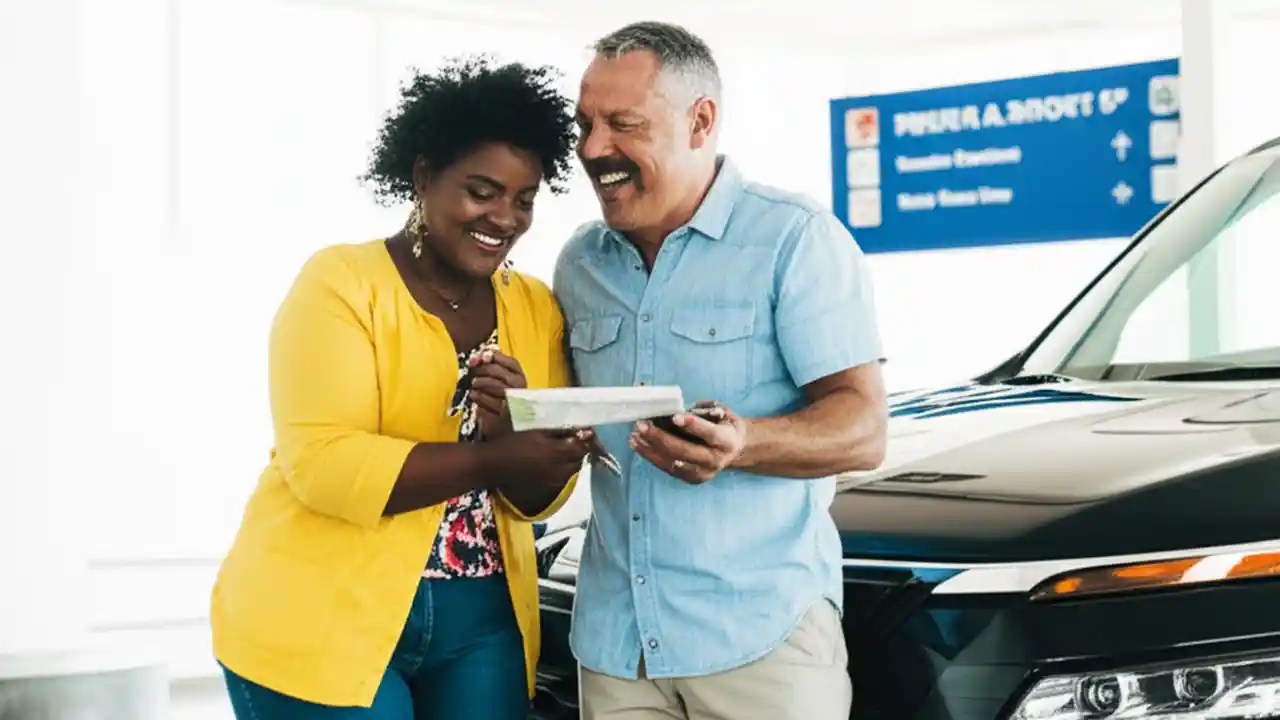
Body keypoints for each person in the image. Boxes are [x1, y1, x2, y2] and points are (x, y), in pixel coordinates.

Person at [210, 56, 592, 719]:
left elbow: (539, 492)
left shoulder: (535, 308)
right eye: (482, 190)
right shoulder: (341, 284)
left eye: (523, 198)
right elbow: (325, 466)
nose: (504, 217)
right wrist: (494, 456)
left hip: (482, 621)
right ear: (423, 177)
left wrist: (521, 439)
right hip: (317, 614)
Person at [553, 21, 889, 720]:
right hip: (618, 651)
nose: (592, 149)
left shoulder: (793, 239)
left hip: (762, 644)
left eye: (622, 124)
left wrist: (744, 445)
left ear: (700, 121)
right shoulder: (579, 264)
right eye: (583, 124)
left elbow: (863, 429)